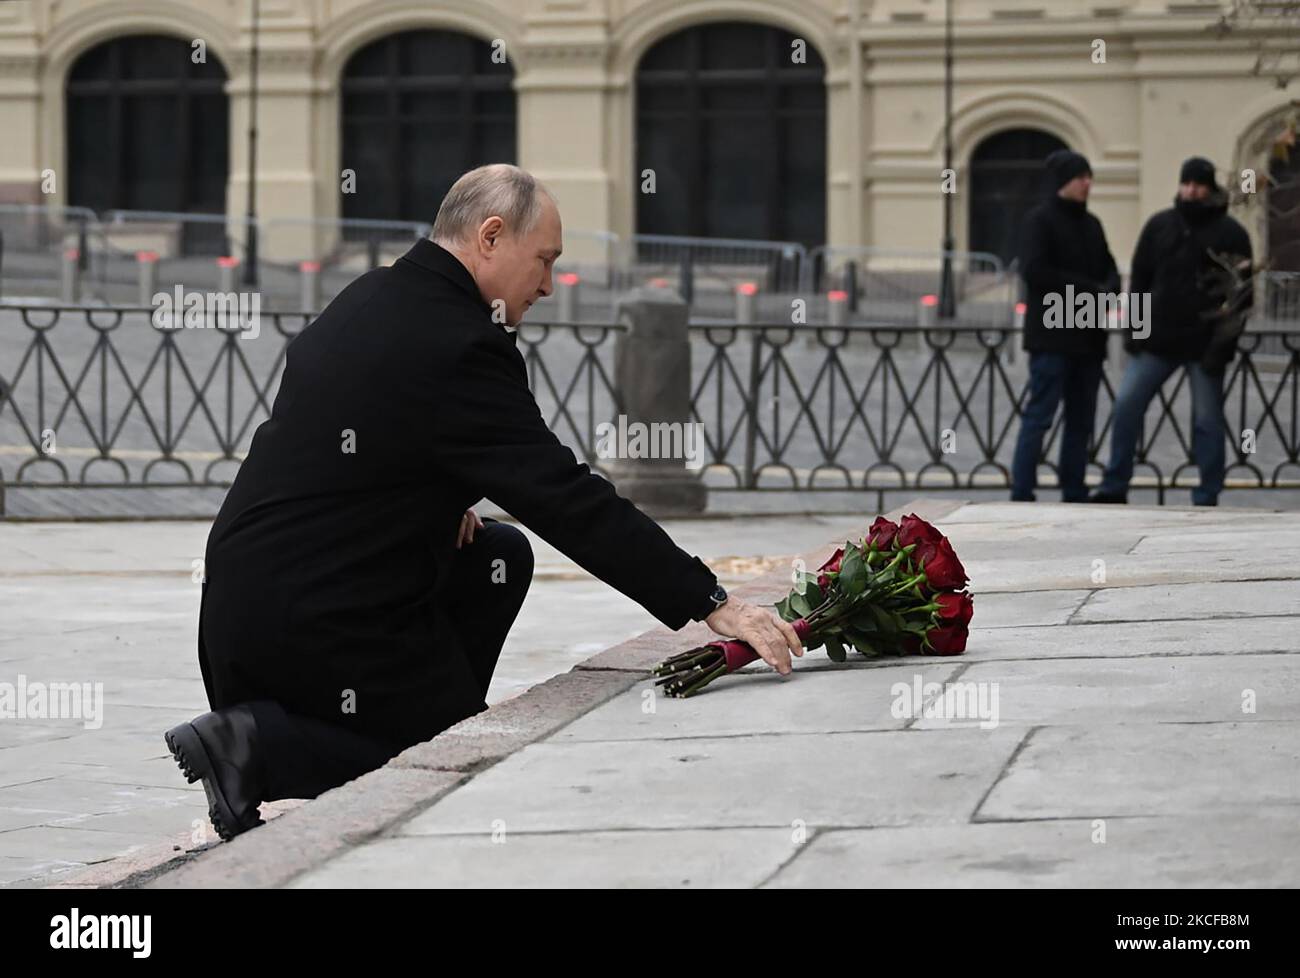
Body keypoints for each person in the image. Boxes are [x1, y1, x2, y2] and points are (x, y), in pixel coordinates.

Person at [165, 164, 804, 841]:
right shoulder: (461, 343)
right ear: (491, 236)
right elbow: (563, 497)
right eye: (545, 261)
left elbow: (352, 440)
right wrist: (710, 601)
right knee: (454, 762)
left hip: (247, 603)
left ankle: (426, 715)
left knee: (497, 554)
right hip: (316, 623)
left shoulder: (370, 294)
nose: (549, 286)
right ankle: (255, 743)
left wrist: (435, 495)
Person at [1090, 157, 1253, 506]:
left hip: (1206, 344)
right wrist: (1136, 330)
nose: (1191, 189)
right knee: (1126, 406)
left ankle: (1208, 492)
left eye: (1198, 184)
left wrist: (1221, 348)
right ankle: (1115, 484)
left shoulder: (1231, 233)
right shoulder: (1160, 225)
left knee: (1207, 421)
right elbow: (1141, 280)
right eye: (1187, 183)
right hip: (1157, 341)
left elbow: (1241, 296)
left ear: (1209, 188)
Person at [1010, 149, 1121, 502]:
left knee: (1081, 420)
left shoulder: (1092, 224)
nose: (1088, 183)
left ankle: (1073, 488)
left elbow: (1109, 266)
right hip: (1051, 338)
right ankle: (1022, 489)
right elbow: (1036, 272)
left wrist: (1111, 286)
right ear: (1064, 182)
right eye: (1081, 177)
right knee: (1040, 415)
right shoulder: (1039, 221)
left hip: (1088, 339)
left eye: (1089, 177)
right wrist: (1093, 289)